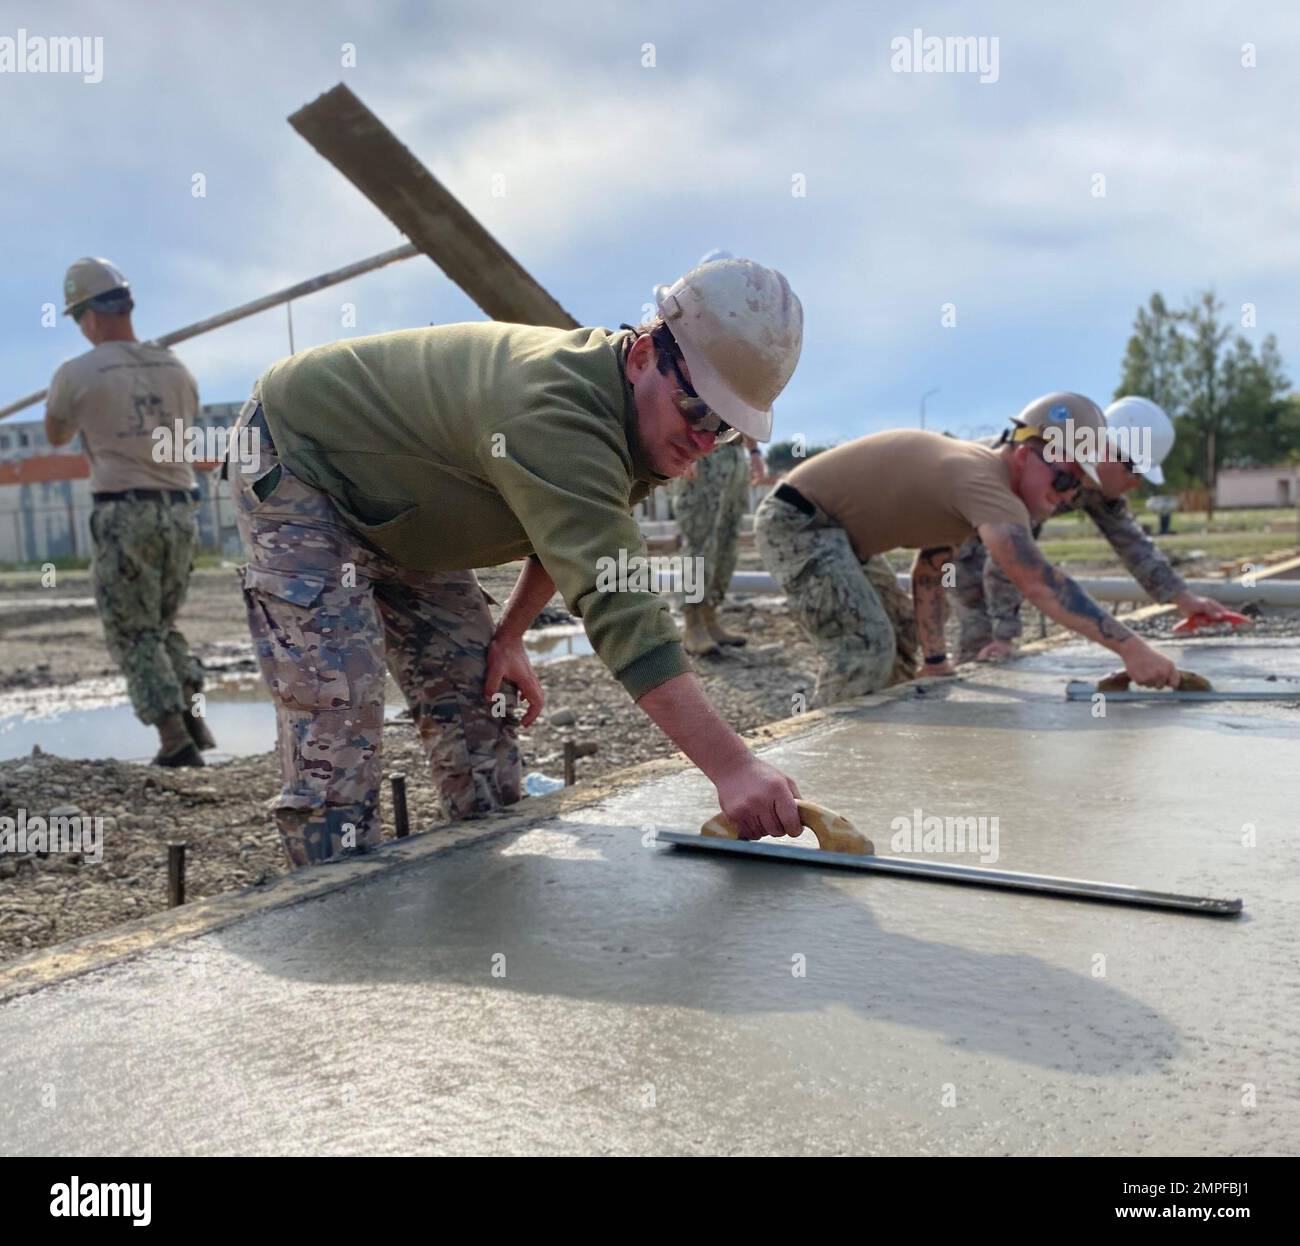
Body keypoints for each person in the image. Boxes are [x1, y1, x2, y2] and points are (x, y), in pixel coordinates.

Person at [231, 257, 807, 868]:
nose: (702, 439)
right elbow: (620, 604)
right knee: (338, 712)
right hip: (302, 462)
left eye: (722, 430)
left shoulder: (638, 422)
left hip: (411, 504)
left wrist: (508, 637)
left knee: (478, 704)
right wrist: (733, 767)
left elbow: (565, 542)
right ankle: (334, 912)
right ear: (643, 355)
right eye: (697, 410)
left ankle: (490, 895)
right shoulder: (555, 407)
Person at [754, 393, 1182, 706]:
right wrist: (1133, 649)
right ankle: (830, 764)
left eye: (1077, 488)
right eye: (1065, 479)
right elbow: (1035, 579)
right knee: (865, 645)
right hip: (800, 522)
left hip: (840, 536)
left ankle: (878, 733)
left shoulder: (979, 483)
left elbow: (930, 570)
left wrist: (936, 659)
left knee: (901, 632)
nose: (1067, 496)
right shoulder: (985, 483)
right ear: (1025, 452)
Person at [44, 256, 213, 766]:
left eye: (76, 320)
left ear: (89, 317)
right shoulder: (175, 367)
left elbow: (56, 435)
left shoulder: (77, 372)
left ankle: (173, 741)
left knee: (132, 631)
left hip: (125, 513)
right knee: (162, 623)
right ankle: (194, 717)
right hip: (182, 510)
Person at [951, 396, 1231, 660]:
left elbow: (1133, 544)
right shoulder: (1042, 468)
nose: (1136, 484)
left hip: (996, 548)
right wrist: (1004, 636)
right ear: (1106, 451)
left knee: (994, 648)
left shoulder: (1096, 489)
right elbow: (1010, 560)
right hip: (958, 545)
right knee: (981, 644)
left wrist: (1184, 599)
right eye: (1133, 470)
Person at [670, 435, 766, 655]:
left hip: (734, 453)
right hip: (702, 451)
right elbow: (681, 402)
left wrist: (754, 453)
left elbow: (749, 409)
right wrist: (685, 451)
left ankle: (710, 619)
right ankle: (692, 625)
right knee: (699, 541)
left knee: (727, 541)